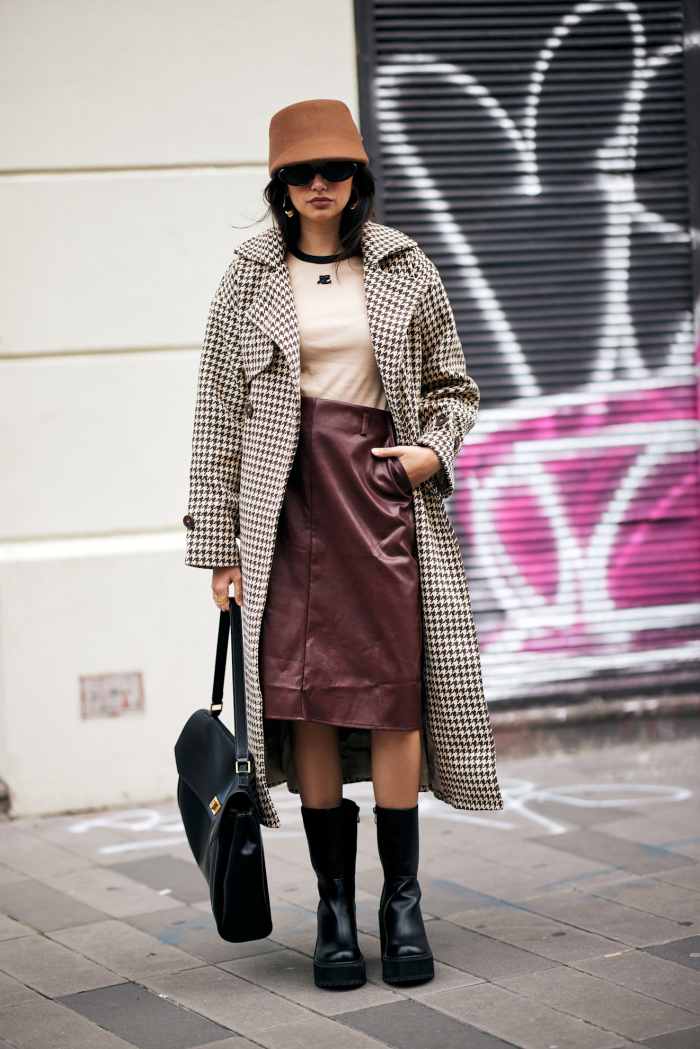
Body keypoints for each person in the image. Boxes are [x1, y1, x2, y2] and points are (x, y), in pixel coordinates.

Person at [183, 97, 503, 991]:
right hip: (282, 508)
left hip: (380, 502)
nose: (318, 185)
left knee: (398, 696)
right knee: (309, 699)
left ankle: (402, 902)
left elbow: (456, 387)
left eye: (334, 170)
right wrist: (220, 545)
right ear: (278, 185)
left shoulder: (405, 266)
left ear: (358, 178)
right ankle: (332, 911)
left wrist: (429, 453)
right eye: (300, 173)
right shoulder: (247, 275)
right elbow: (217, 419)